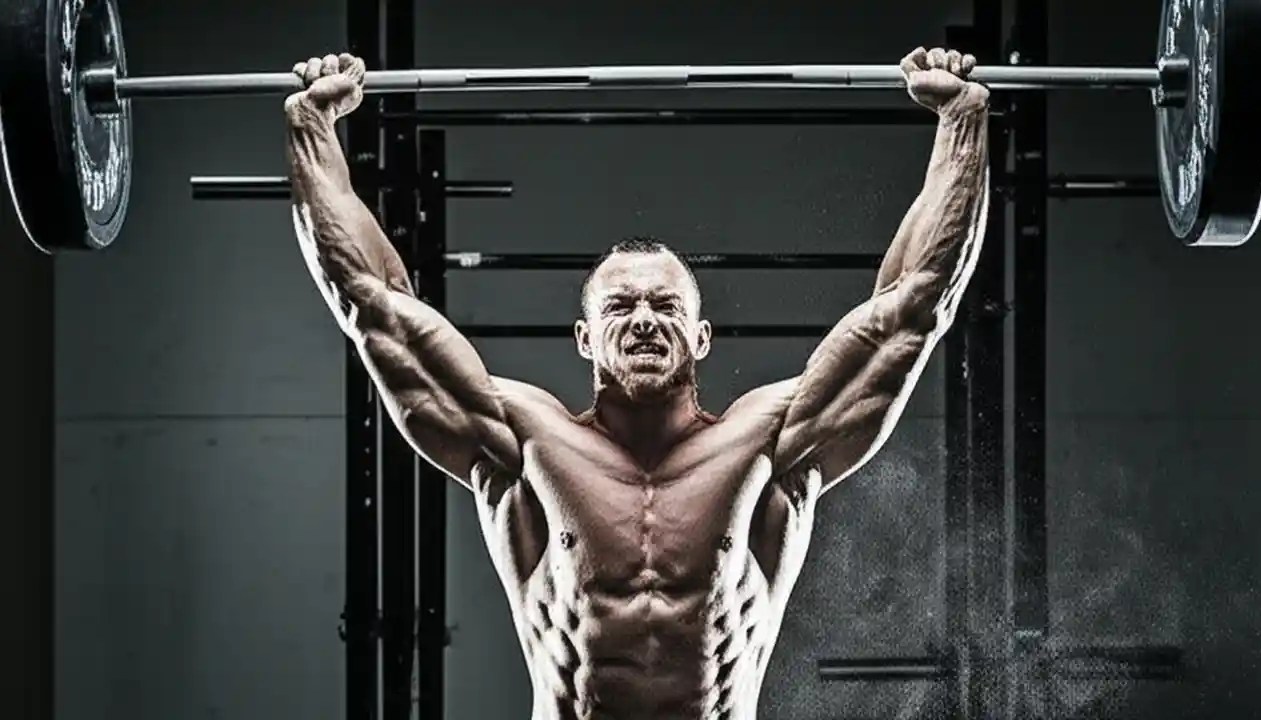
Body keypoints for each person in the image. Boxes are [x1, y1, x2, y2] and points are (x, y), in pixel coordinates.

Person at [285, 46, 989, 720]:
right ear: (586, 338)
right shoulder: (523, 441)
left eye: (667, 307)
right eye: (621, 306)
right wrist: (314, 131)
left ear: (703, 337)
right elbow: (373, 302)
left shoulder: (770, 442)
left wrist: (961, 124)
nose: (645, 320)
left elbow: (914, 306)